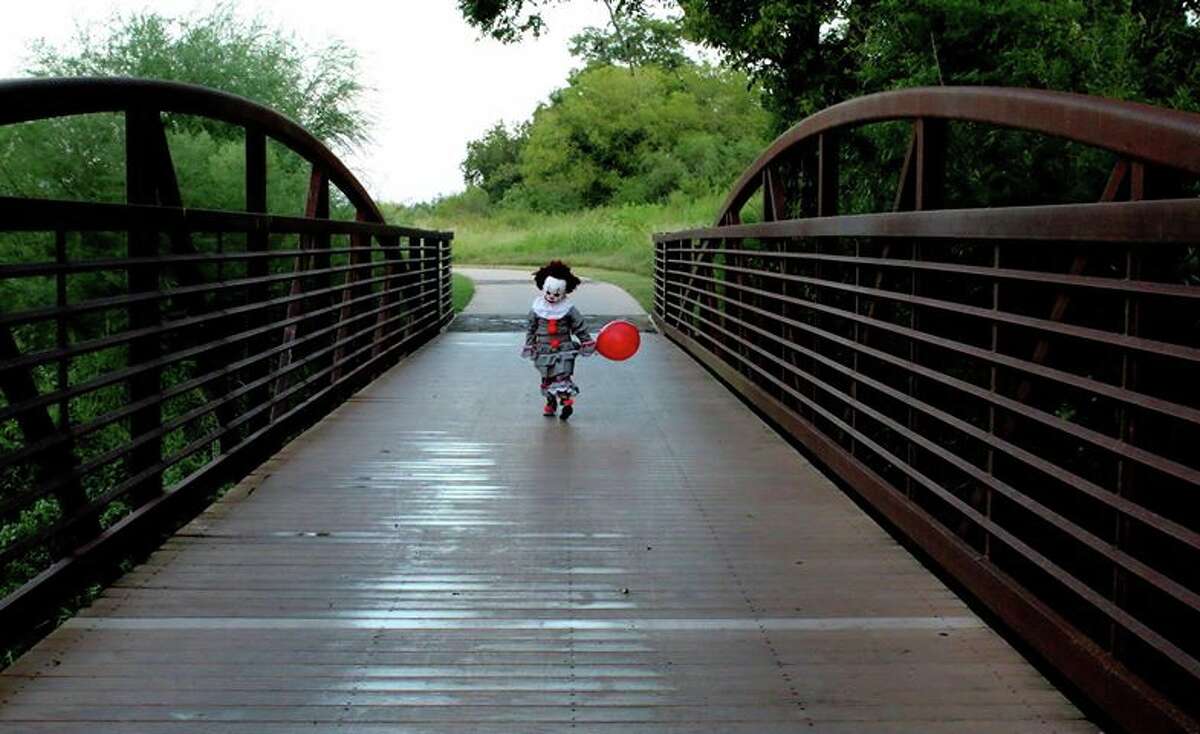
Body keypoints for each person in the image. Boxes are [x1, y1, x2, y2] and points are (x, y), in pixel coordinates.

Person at [522, 261, 595, 420]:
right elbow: (531, 328)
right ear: (543, 288)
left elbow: (579, 326)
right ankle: (550, 402)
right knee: (547, 377)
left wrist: (586, 341)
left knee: (562, 375)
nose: (552, 297)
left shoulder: (568, 309)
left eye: (556, 294)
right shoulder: (537, 308)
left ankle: (566, 401)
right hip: (543, 348)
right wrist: (529, 344)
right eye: (549, 293)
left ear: (563, 292)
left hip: (563, 348)